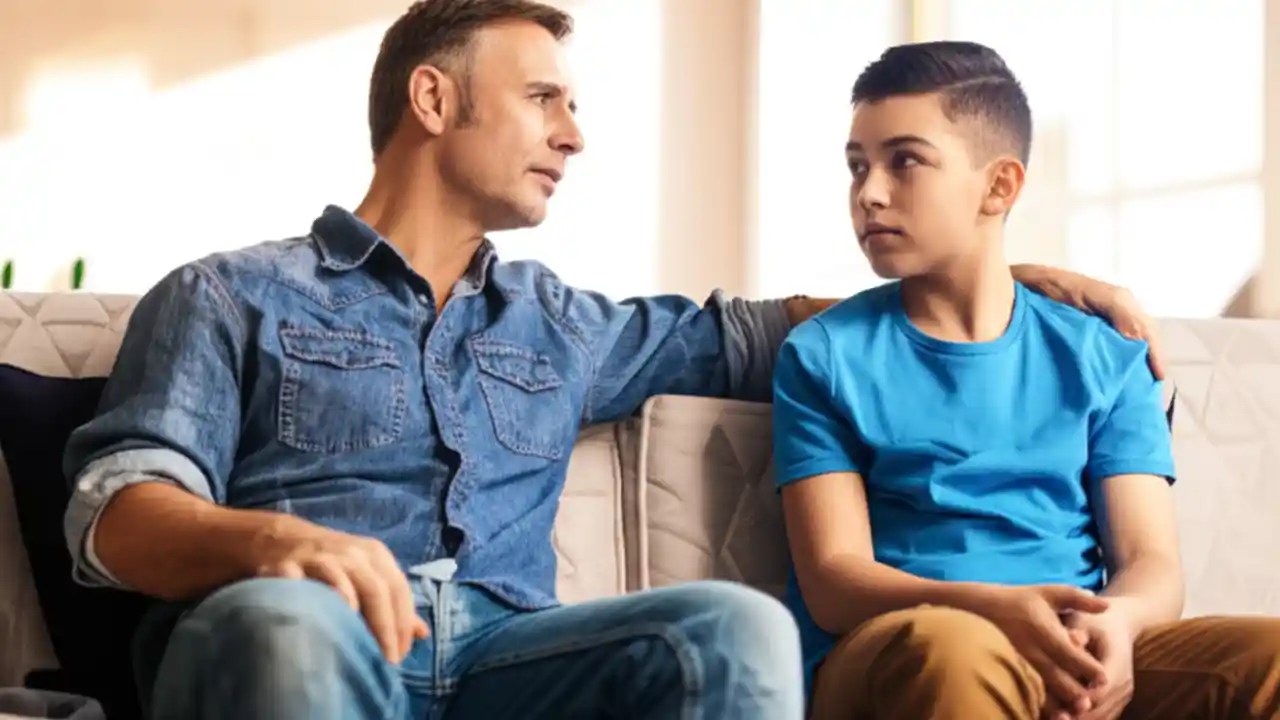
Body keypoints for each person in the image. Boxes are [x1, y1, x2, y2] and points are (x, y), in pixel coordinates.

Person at [62, 3, 1159, 718]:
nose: (574, 135)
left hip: (505, 661)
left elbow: (778, 324)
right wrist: (273, 544)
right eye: (545, 100)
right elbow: (113, 514)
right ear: (433, 100)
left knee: (732, 629)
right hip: (303, 641)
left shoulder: (562, 324)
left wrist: (1029, 275)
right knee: (286, 621)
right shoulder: (228, 294)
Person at [772, 40, 1280, 720]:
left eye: (906, 161)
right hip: (906, 646)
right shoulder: (822, 355)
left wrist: (1119, 626)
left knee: (1269, 658)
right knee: (955, 650)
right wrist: (998, 609)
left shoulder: (1104, 354)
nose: (870, 193)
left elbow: (1150, 559)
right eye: (857, 167)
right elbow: (835, 581)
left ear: (1000, 185)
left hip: (1069, 640)